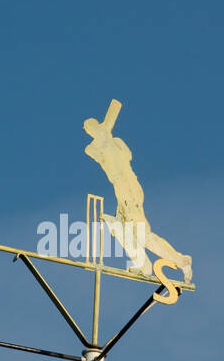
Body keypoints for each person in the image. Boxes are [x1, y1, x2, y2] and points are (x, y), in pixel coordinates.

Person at [82, 99, 193, 283]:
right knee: (132, 232)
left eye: (90, 126)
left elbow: (124, 153)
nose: (89, 130)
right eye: (88, 129)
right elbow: (93, 150)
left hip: (128, 187)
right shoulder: (95, 147)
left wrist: (106, 132)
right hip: (123, 190)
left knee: (140, 235)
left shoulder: (114, 143)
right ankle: (158, 263)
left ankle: (175, 262)